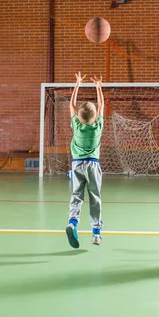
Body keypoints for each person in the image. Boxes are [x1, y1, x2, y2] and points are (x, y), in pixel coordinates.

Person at [65, 72, 104, 249]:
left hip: (77, 165)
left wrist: (77, 84)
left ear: (79, 118)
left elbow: (72, 105)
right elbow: (101, 105)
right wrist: (98, 87)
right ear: (95, 117)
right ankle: (96, 234)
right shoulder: (97, 127)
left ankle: (73, 222)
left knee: (76, 195)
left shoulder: (77, 126)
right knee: (95, 197)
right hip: (93, 165)